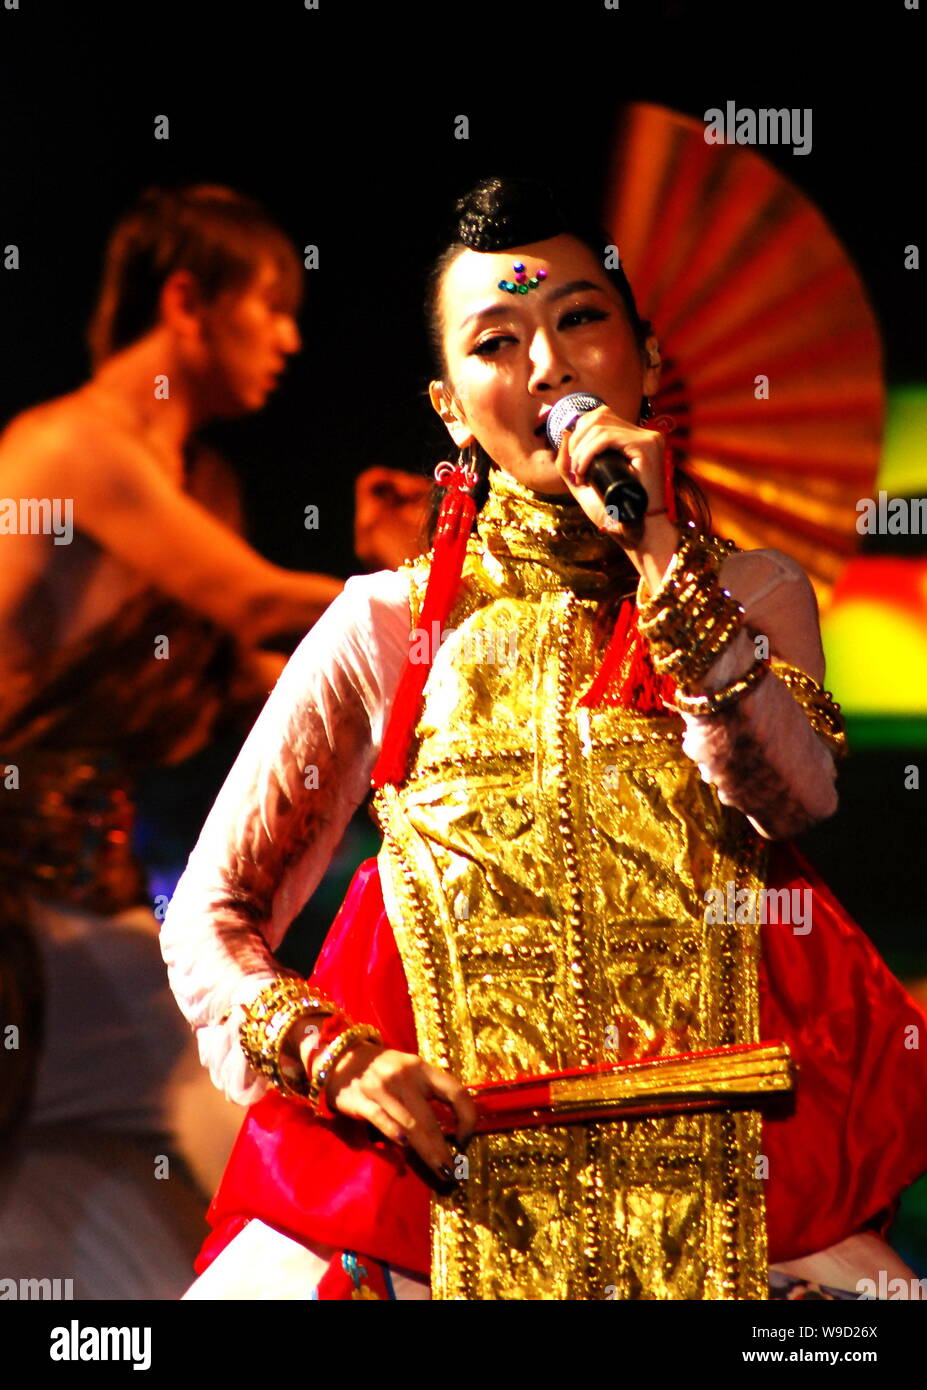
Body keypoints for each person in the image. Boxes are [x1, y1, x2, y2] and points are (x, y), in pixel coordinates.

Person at [161, 176, 927, 1301]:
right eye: (496, 340)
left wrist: (660, 552)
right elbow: (210, 915)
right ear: (449, 406)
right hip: (438, 1201)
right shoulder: (385, 626)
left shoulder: (754, 592)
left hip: (724, 1207)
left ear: (648, 359)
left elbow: (794, 798)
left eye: (578, 319)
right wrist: (339, 1055)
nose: (547, 368)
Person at [0, 184, 344, 1299]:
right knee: (209, 1150)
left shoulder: (196, 483)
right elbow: (253, 606)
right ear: (189, 301)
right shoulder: (76, 445)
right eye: (272, 305)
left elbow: (255, 685)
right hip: (21, 906)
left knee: (194, 1167)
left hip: (78, 907)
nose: (291, 337)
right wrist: (424, 592)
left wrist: (394, 578)